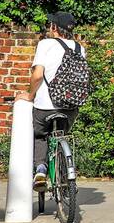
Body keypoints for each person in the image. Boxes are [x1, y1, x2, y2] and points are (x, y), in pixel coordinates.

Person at [28, 12, 84, 192]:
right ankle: (65, 173)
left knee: (40, 135)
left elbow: (37, 76)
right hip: (70, 107)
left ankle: (41, 171)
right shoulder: (79, 48)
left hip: (45, 105)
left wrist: (29, 95)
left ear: (54, 27)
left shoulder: (45, 44)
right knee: (60, 134)